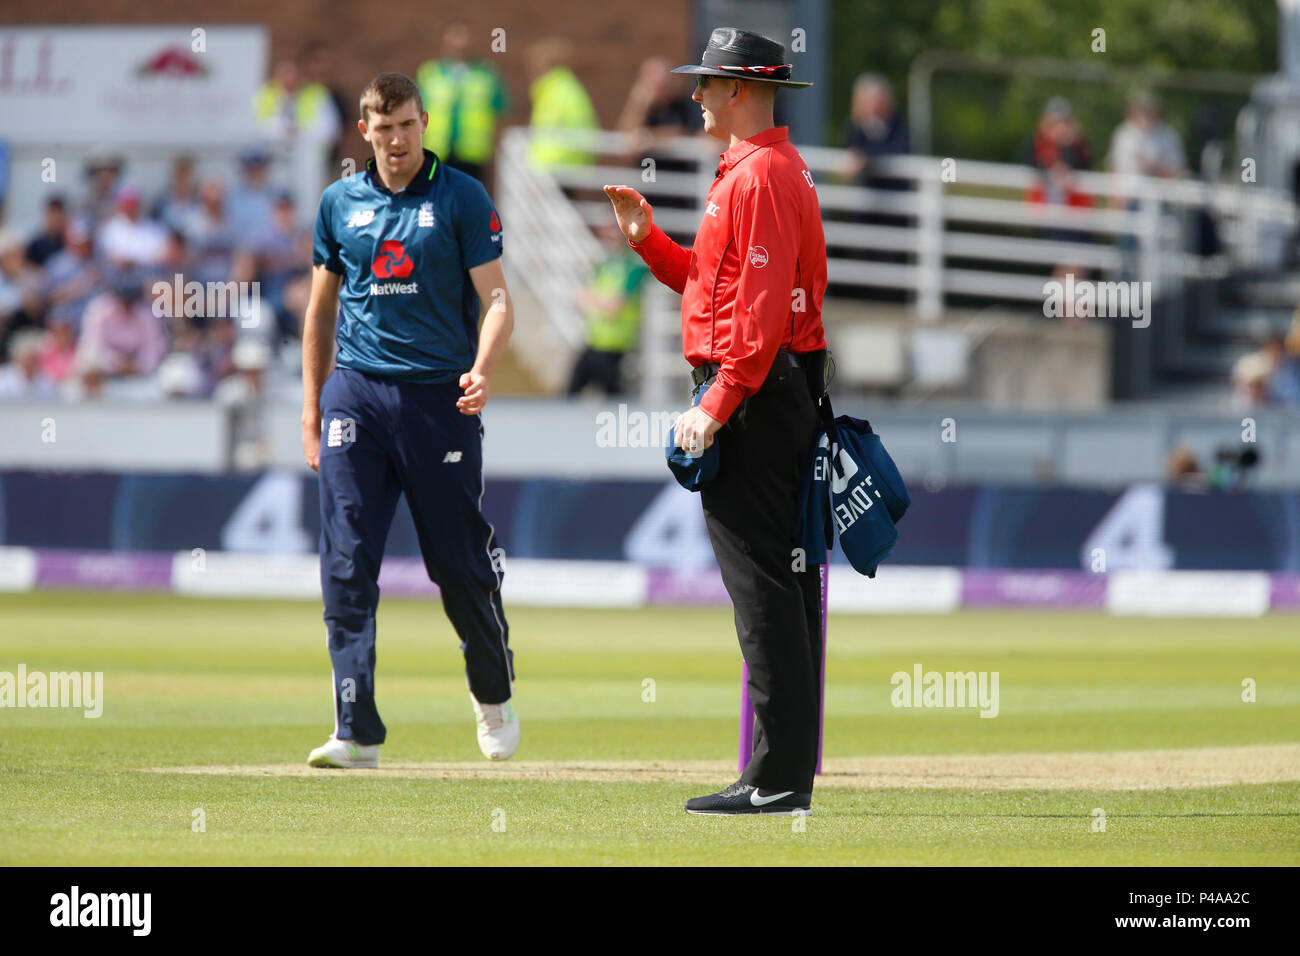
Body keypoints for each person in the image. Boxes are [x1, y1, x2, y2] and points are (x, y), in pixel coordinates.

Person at [604, 28, 827, 815]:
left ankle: (775, 781)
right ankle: (785, 776)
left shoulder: (760, 174)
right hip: (771, 388)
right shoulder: (759, 168)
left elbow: (757, 322)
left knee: (764, 587)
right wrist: (647, 244)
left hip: (756, 397)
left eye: (706, 84)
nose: (694, 96)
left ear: (738, 89)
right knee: (784, 585)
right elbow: (713, 286)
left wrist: (715, 403)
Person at [301, 72, 517, 769]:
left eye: (406, 126)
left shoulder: (461, 197)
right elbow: (318, 314)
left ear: (424, 123)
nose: (395, 140)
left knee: (455, 567)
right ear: (363, 130)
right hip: (356, 397)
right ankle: (354, 728)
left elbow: (499, 300)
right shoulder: (339, 203)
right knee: (345, 561)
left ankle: (492, 691)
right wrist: (312, 410)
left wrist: (483, 367)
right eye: (382, 128)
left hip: (438, 401)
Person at [417, 21, 509, 185]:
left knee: (468, 199)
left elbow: (501, 111)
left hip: (472, 152)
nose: (460, 46)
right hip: (438, 150)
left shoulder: (486, 74)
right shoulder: (430, 72)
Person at [566, 221, 649, 397]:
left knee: (615, 404)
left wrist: (594, 300)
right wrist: (601, 302)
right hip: (594, 342)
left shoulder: (633, 269)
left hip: (616, 348)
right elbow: (577, 299)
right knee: (569, 394)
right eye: (606, 231)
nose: (609, 236)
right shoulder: (602, 266)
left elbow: (615, 306)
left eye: (614, 231)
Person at [526, 38, 599, 169]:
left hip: (558, 166)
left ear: (547, 65)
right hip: (552, 166)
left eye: (535, 65)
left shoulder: (560, 92)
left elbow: (582, 131)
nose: (531, 71)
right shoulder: (554, 89)